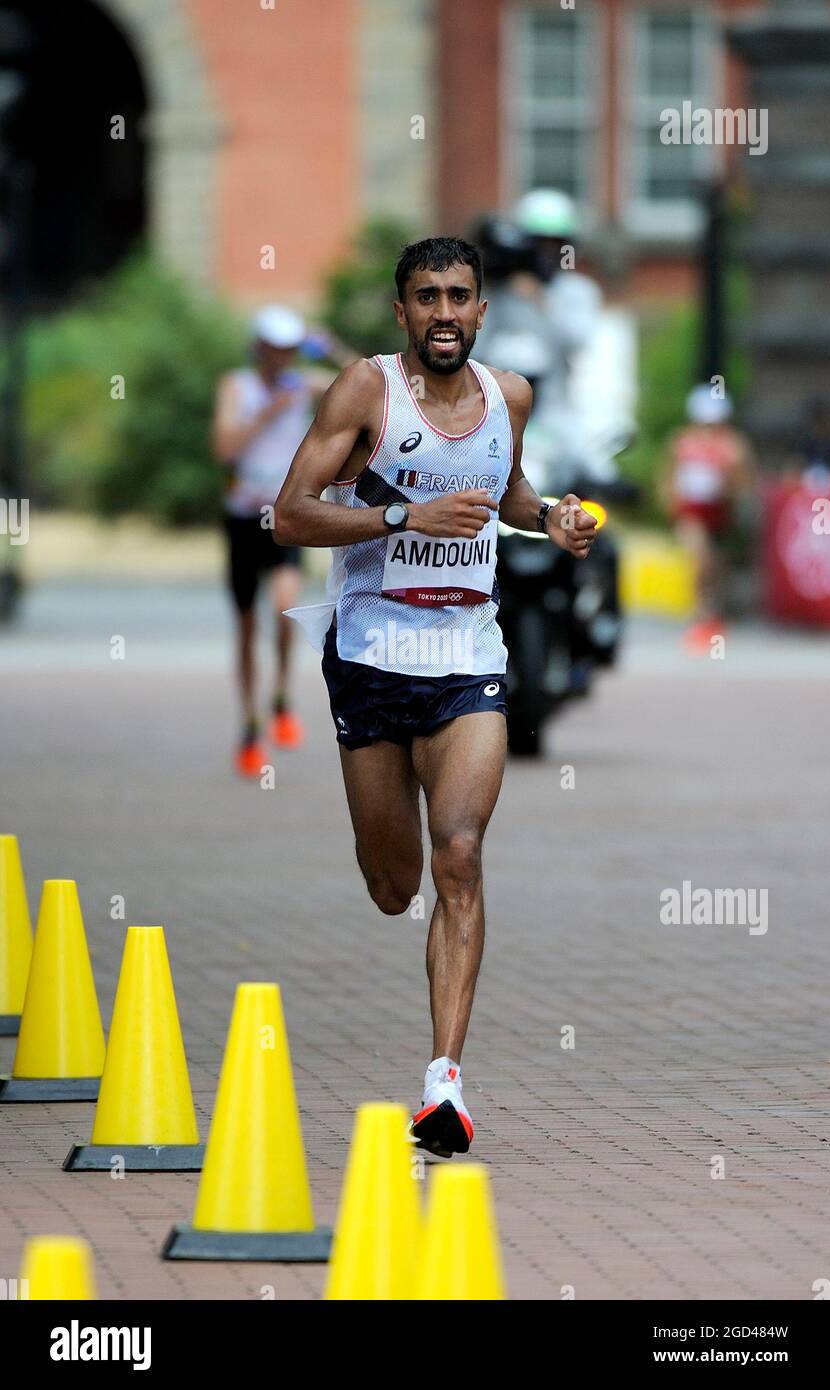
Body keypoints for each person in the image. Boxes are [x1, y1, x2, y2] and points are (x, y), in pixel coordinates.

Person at [274, 237, 596, 1156]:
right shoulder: (365, 392)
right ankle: (395, 880)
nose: (445, 313)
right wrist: (398, 515)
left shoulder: (512, 396)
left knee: (458, 854)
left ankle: (443, 1086)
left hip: (467, 658)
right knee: (394, 884)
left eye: (460, 297)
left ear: (482, 311)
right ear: (402, 311)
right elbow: (289, 512)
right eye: (427, 297)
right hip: (372, 660)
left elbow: (512, 489)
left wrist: (551, 519)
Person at [212, 307, 351, 776]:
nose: (281, 357)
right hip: (242, 517)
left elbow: (370, 384)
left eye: (289, 348)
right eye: (274, 348)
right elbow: (224, 449)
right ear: (259, 348)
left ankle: (282, 698)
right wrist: (268, 413)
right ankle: (250, 723)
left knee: (284, 608)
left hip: (284, 519)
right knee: (248, 625)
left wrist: (329, 347)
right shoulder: (238, 387)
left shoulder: (304, 382)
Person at [660, 384, 755, 650]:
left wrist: (733, 487)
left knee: (717, 565)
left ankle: (714, 613)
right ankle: (701, 614)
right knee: (700, 561)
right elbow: (668, 476)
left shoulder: (734, 446)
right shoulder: (682, 442)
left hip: (721, 512)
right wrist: (671, 504)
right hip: (691, 511)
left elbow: (745, 481)